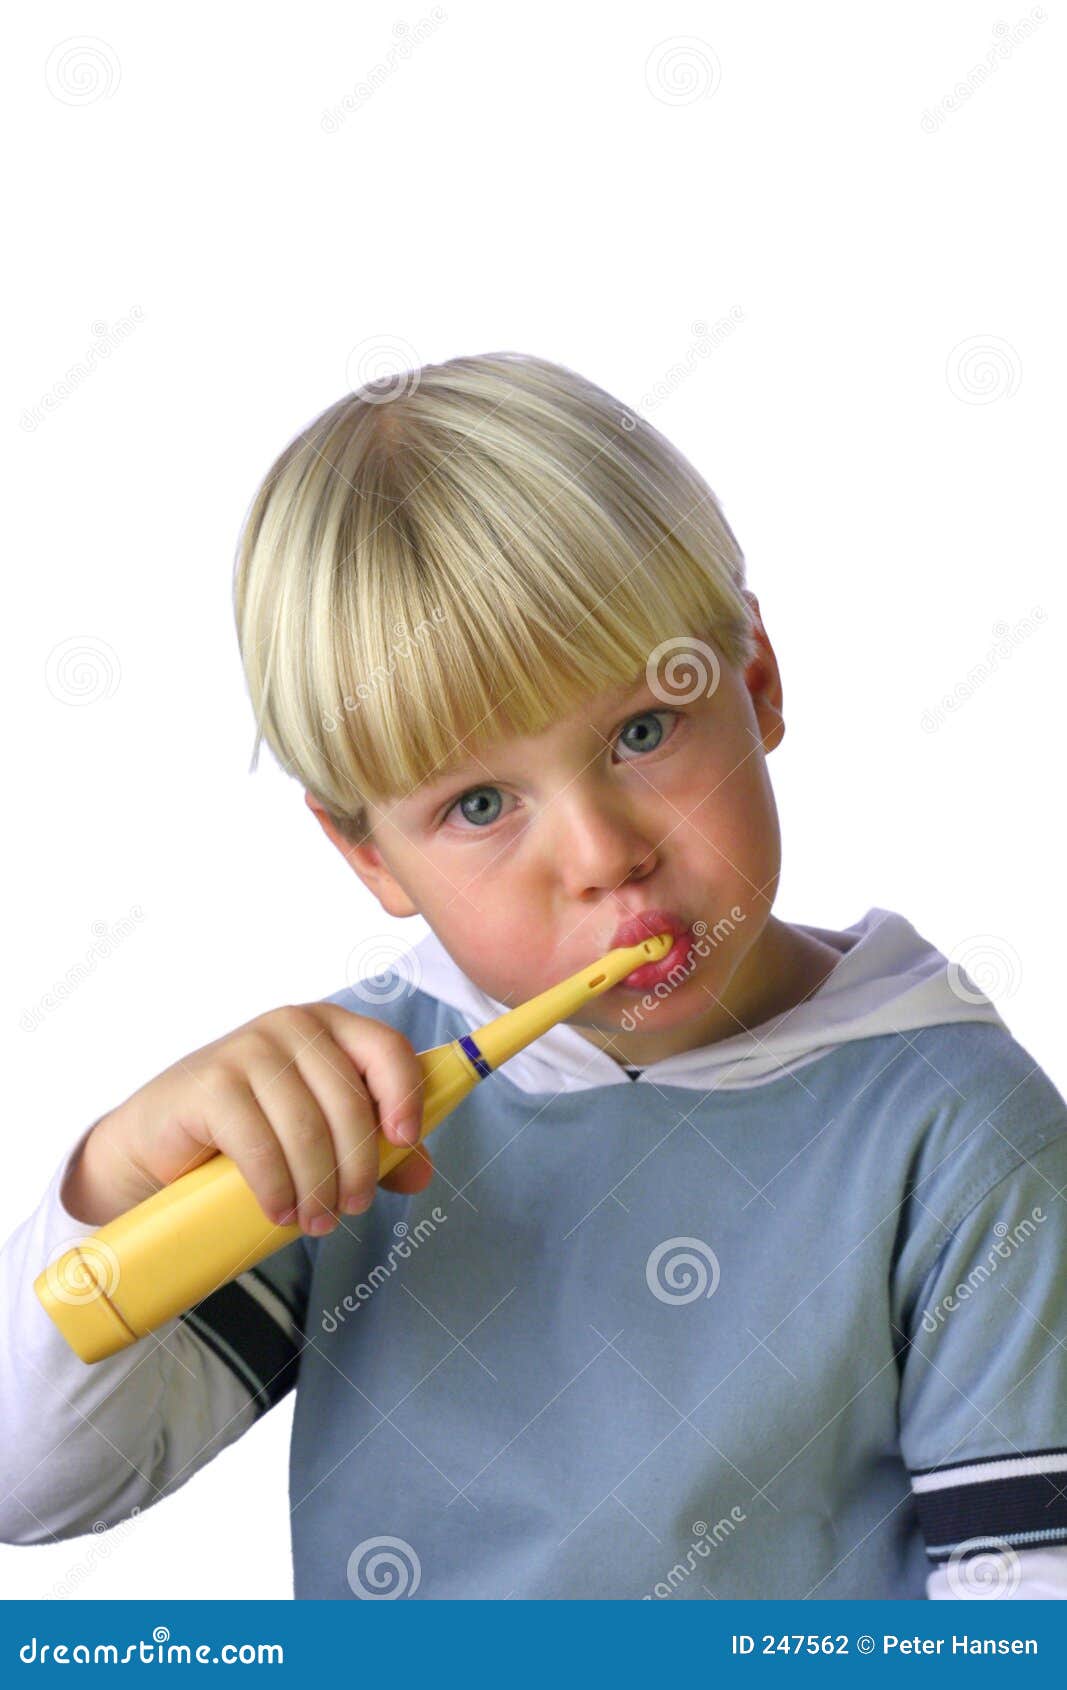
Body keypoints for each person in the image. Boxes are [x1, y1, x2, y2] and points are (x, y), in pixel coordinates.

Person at [3, 352, 1066, 1600]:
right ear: (365, 853)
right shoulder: (345, 1112)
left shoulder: (958, 1132)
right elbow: (32, 1484)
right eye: (479, 804)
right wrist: (121, 1176)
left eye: (642, 731)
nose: (604, 855)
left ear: (756, 684)